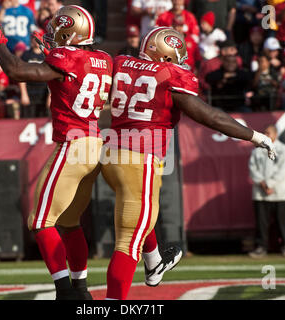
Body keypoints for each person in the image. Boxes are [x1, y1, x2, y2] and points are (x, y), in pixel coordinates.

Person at [101, 26, 276, 300]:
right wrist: (254, 136)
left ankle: (155, 261)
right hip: (141, 159)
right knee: (127, 242)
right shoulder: (170, 75)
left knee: (139, 216)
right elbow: (211, 117)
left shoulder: (122, 62)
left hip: (110, 156)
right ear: (167, 58)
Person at [0, 5, 113, 300]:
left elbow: (16, 71)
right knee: (69, 222)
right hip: (96, 144)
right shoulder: (103, 59)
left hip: (74, 144)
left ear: (68, 33)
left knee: (40, 222)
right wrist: (52, 53)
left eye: (57, 33)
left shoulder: (65, 57)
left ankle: (64, 291)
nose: (51, 37)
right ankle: (81, 289)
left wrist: (1, 46)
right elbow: (69, 73)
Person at [248, 124, 285, 258]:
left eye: (268, 133)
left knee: (282, 222)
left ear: (275, 134)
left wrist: (270, 184)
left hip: (279, 192)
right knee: (261, 223)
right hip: (260, 193)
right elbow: (252, 168)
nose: (266, 135)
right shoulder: (257, 151)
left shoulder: (283, 149)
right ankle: (261, 247)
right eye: (264, 133)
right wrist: (262, 183)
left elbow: (282, 170)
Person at [20, 30, 50, 118]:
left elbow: (52, 77)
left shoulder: (48, 55)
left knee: (43, 119)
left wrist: (50, 95)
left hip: (44, 92)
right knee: (28, 118)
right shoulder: (26, 55)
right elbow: (21, 75)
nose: (36, 41)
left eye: (38, 38)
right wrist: (23, 93)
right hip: (30, 91)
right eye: (34, 38)